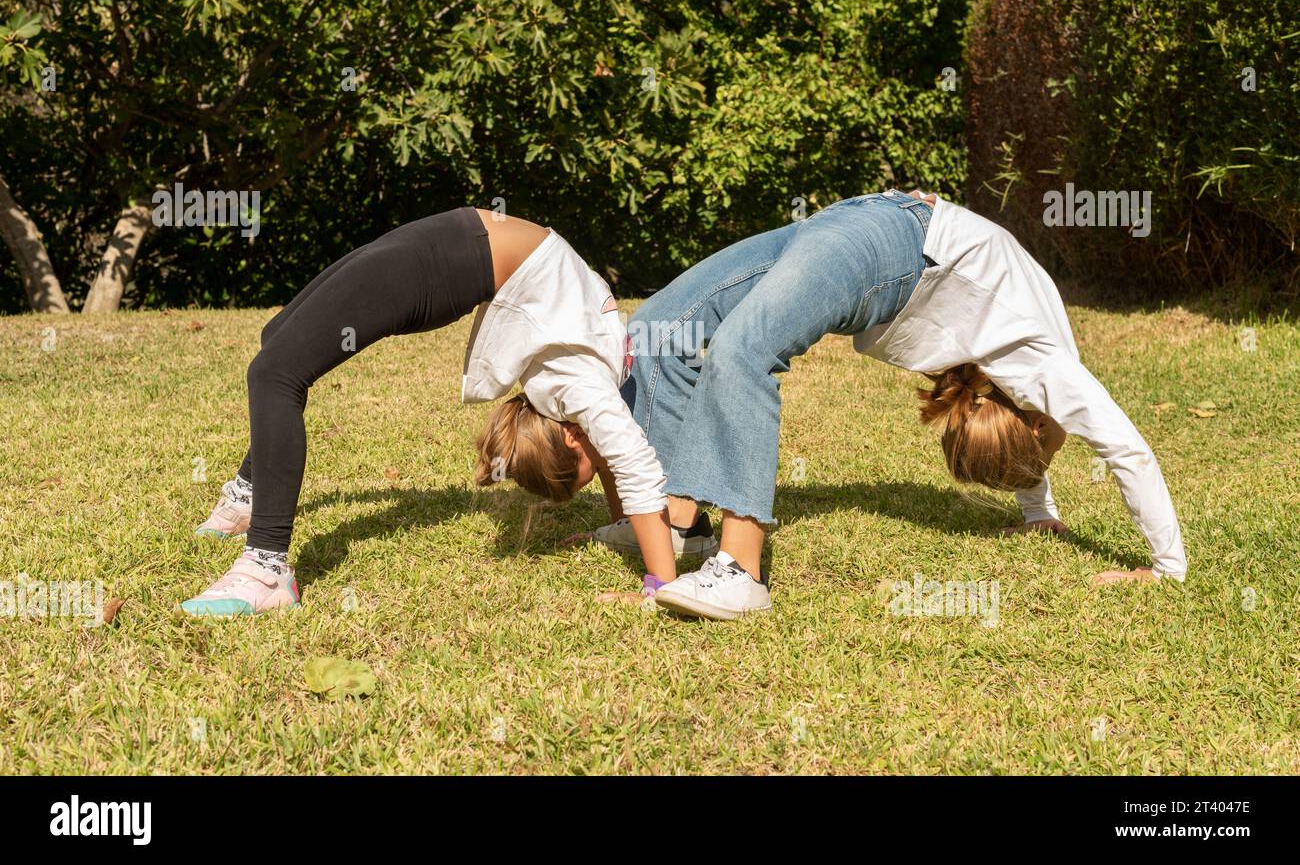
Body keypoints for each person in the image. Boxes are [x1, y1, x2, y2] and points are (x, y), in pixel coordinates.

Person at [589, 190, 1186, 620]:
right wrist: (1166, 567)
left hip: (867, 229)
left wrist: (1037, 513)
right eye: (1050, 448)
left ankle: (713, 550)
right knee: (687, 335)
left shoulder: (1013, 389)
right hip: (887, 236)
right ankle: (706, 547)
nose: (1059, 437)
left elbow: (1024, 446)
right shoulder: (1048, 372)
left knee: (699, 334)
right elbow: (1128, 453)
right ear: (1031, 422)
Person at [182, 207, 679, 616]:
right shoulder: (584, 390)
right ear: (573, 441)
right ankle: (265, 555)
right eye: (590, 472)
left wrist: (626, 529)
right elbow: (631, 464)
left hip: (458, 243)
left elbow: (615, 458)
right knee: (278, 350)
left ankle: (263, 554)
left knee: (276, 369)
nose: (604, 455)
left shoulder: (579, 400)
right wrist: (660, 587)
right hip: (451, 256)